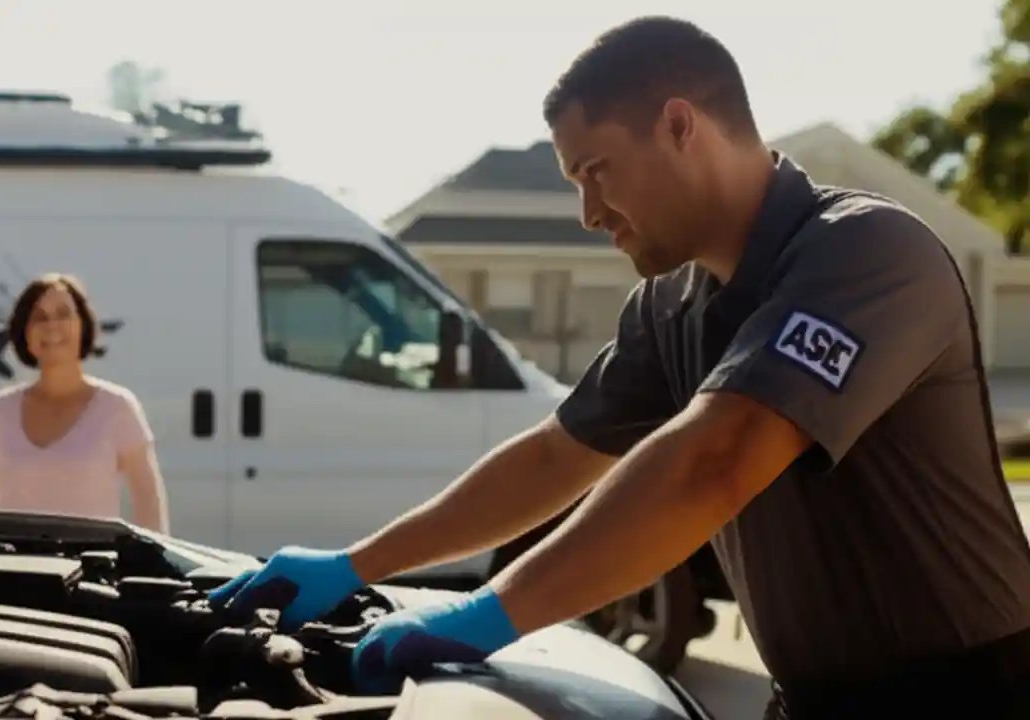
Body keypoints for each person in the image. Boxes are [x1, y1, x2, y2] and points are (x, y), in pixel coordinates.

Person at [208, 15, 1030, 718]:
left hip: (971, 691)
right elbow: (555, 457)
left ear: (681, 124)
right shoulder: (670, 304)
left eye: (596, 171)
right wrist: (358, 565)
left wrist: (495, 614)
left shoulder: (865, 253)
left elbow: (715, 460)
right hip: (811, 697)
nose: (589, 213)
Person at [0, 272, 170, 534]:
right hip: (17, 569)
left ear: (83, 325)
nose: (52, 326)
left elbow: (149, 505)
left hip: (91, 572)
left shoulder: (117, 407)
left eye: (63, 314)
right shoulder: (2, 409)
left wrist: (150, 568)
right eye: (39, 317)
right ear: (24, 332)